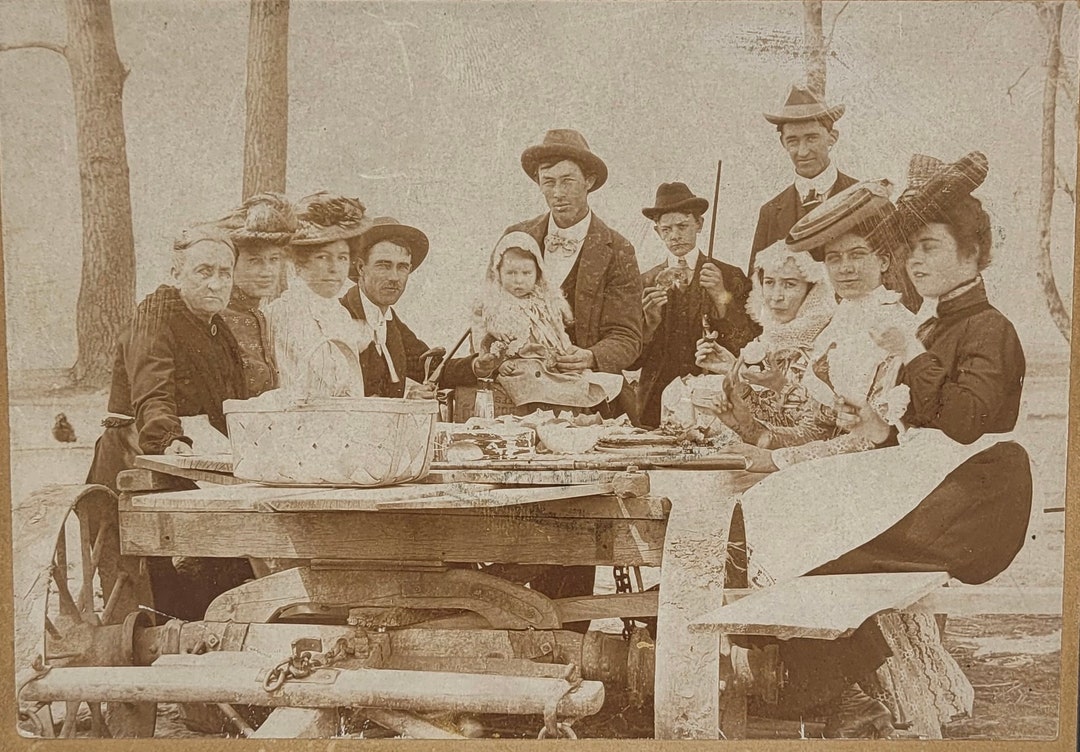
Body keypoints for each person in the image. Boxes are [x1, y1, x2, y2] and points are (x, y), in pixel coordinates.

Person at [733, 152, 1031, 737]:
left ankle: (833, 694)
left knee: (809, 541)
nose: (917, 261)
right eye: (912, 249)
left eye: (933, 248)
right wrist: (868, 417)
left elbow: (967, 420)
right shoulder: (934, 324)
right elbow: (910, 417)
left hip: (976, 495)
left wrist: (911, 356)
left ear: (974, 254)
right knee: (779, 515)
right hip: (927, 476)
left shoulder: (988, 327)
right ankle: (835, 693)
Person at [86, 224, 251, 622]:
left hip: (191, 454)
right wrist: (167, 437)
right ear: (176, 273)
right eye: (203, 271)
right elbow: (152, 389)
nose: (215, 283)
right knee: (148, 598)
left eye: (224, 273)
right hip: (138, 458)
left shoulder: (216, 326)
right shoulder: (155, 317)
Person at [702, 180, 916, 472]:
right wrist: (749, 427)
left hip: (873, 475)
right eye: (834, 258)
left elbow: (873, 440)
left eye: (857, 254)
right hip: (829, 470)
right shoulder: (837, 323)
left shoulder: (899, 326)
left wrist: (779, 460)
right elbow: (814, 430)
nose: (845, 268)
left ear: (883, 261)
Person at [504, 129, 643, 377]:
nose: (558, 193)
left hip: (588, 391)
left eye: (567, 181)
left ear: (588, 181)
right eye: (548, 182)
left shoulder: (618, 249)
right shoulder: (517, 237)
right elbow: (489, 308)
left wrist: (591, 357)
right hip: (521, 387)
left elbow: (627, 336)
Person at [635, 181, 759, 428]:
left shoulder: (730, 275)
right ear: (657, 231)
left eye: (682, 226)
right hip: (655, 404)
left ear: (699, 225)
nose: (675, 235)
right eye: (666, 229)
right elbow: (632, 360)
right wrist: (649, 323)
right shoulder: (644, 282)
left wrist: (721, 295)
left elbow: (749, 344)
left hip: (715, 401)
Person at [694, 240, 836, 446]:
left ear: (812, 289)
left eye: (790, 284)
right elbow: (769, 420)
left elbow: (818, 429)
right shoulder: (767, 339)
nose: (776, 296)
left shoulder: (828, 342)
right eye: (769, 282)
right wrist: (731, 367)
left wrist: (781, 387)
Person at [471, 231, 619, 409]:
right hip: (517, 365)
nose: (519, 280)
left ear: (537, 273)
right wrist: (499, 364)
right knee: (531, 379)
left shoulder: (545, 301)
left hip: (548, 362)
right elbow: (482, 345)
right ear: (498, 272)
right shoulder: (491, 304)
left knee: (580, 380)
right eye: (510, 273)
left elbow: (557, 333)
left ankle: (571, 412)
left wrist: (566, 351)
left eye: (526, 273)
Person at [339, 216, 478, 398]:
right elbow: (341, 395)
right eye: (383, 265)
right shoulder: (340, 316)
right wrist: (406, 398)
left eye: (402, 267)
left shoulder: (389, 321)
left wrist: (477, 366)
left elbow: (427, 368)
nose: (394, 277)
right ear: (360, 268)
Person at [266, 192, 373, 398]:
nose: (334, 268)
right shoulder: (283, 314)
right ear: (299, 264)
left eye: (342, 258)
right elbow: (288, 390)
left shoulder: (340, 314)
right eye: (323, 257)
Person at [748, 85, 858, 275]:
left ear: (832, 138)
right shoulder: (771, 212)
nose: (803, 151)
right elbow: (757, 287)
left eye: (812, 138)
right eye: (793, 141)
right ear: (783, 143)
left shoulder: (864, 197)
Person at [216, 192, 296, 396]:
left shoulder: (260, 316)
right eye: (255, 261)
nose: (267, 271)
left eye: (274, 259)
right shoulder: (215, 317)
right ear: (231, 263)